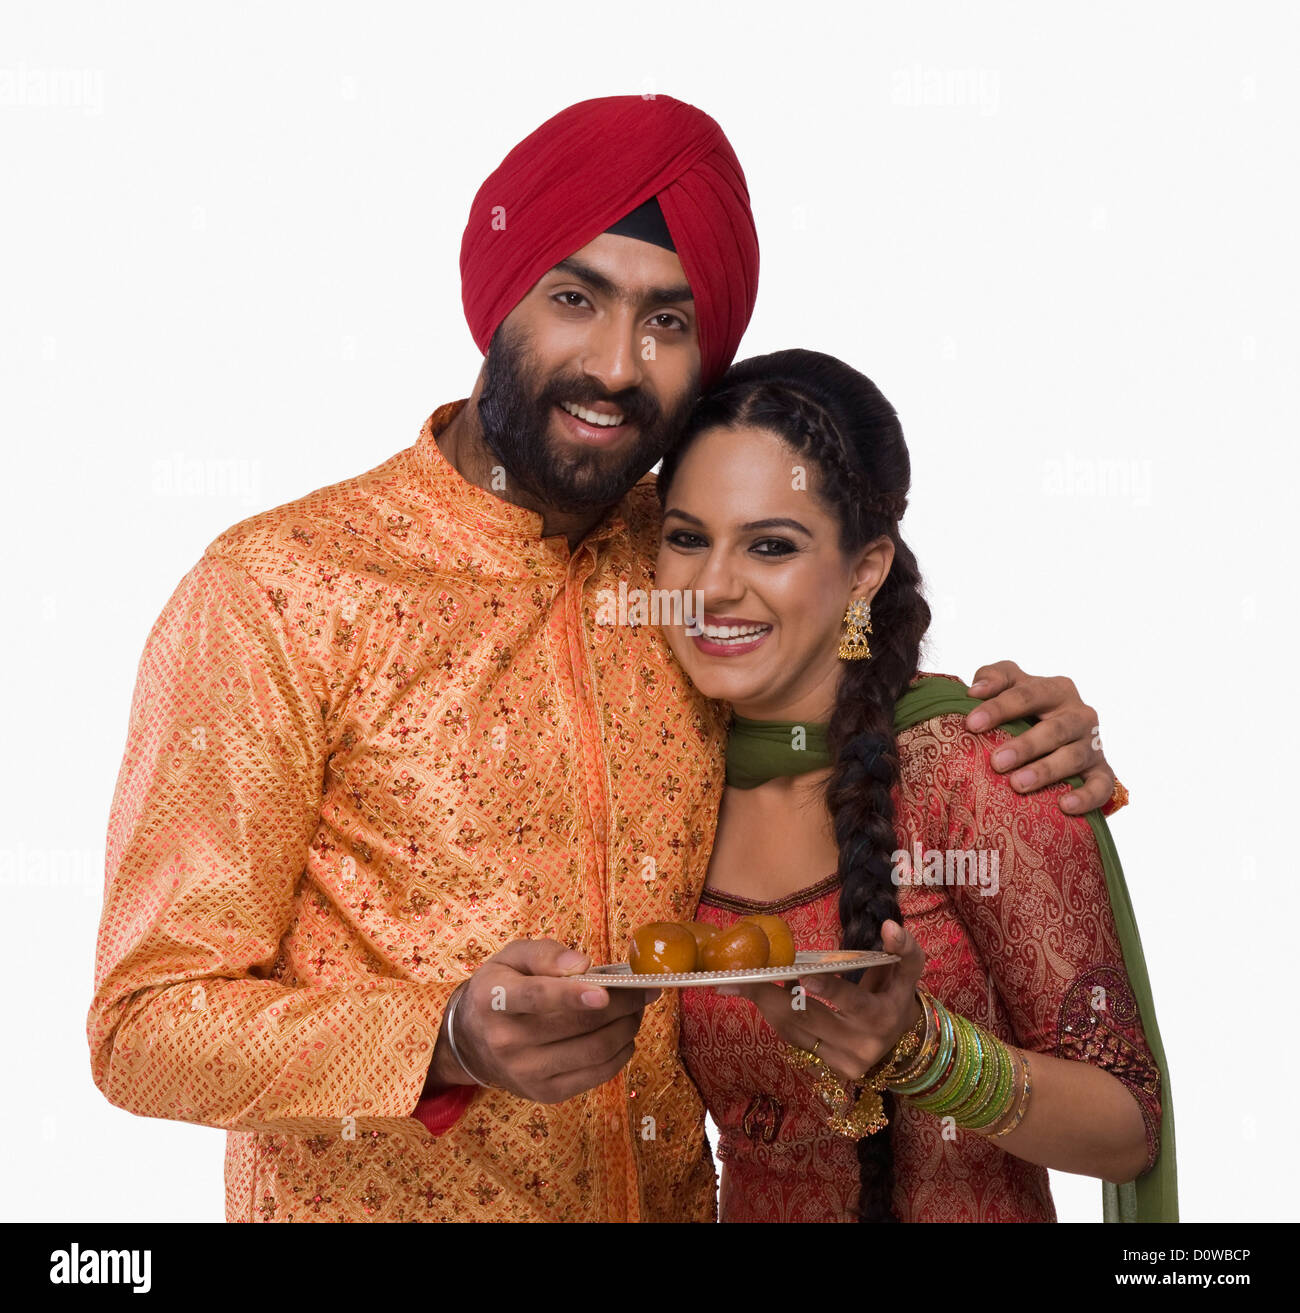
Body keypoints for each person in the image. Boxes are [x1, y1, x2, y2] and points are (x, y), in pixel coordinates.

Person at [87, 95, 1121, 1223]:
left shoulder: (682, 560)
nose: (616, 365)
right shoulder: (279, 591)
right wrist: (445, 1037)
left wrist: (1011, 733)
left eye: (668, 322)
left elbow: (841, 696)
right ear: (499, 301)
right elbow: (145, 1025)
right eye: (575, 298)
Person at [652, 348, 1176, 1222]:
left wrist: (930, 1055)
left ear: (866, 569)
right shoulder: (665, 770)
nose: (712, 587)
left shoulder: (974, 767)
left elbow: (1129, 1123)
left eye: (771, 545)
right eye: (686, 538)